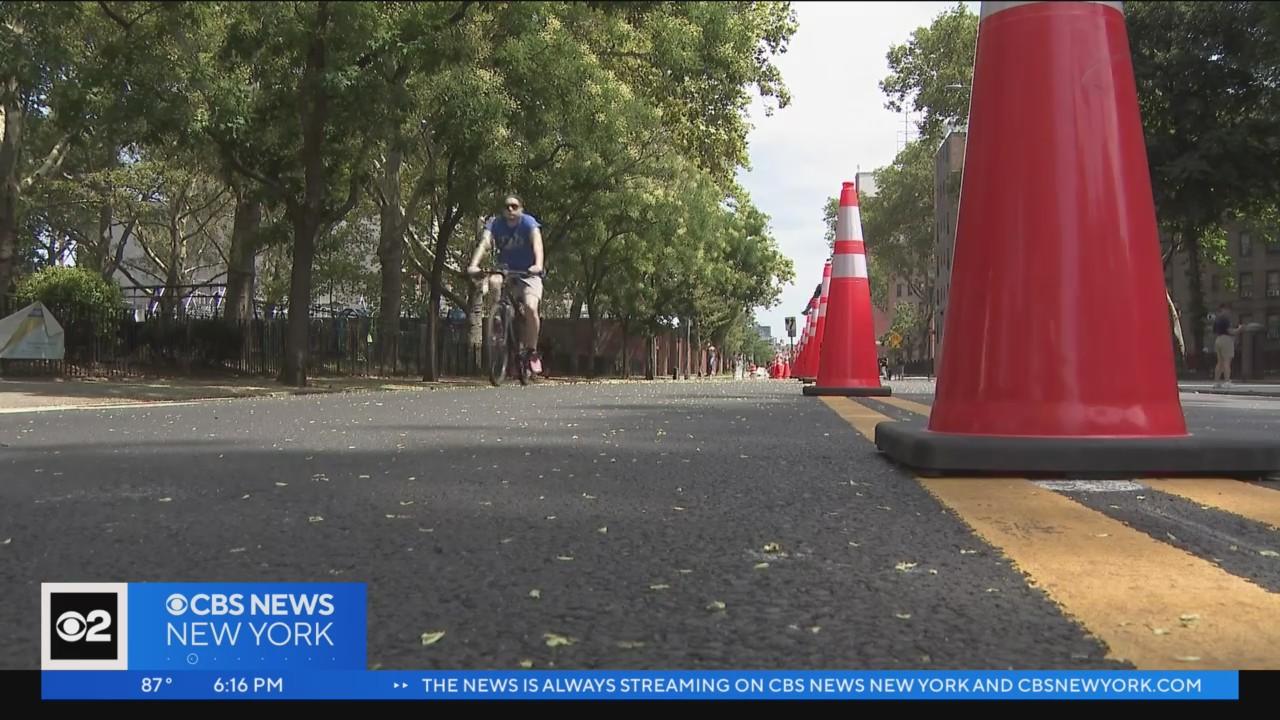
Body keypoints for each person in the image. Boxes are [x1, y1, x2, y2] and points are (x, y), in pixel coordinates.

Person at [468, 194, 545, 374]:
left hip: (529, 273)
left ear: (521, 209)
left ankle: (532, 352)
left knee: (530, 308)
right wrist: (474, 264)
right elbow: (484, 244)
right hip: (506, 270)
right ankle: (499, 319)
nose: (510, 210)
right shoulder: (495, 224)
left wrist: (538, 265)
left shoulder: (528, 223)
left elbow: (538, 244)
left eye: (514, 206)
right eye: (507, 206)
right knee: (494, 281)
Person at [1211, 303, 1242, 388]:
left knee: (1219, 362)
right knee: (1227, 361)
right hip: (1226, 340)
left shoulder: (1217, 319)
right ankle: (1227, 381)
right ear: (1224, 309)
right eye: (1228, 309)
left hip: (1218, 339)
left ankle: (1216, 382)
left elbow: (1214, 331)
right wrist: (1239, 329)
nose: (1229, 312)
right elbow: (1230, 331)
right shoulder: (1226, 319)